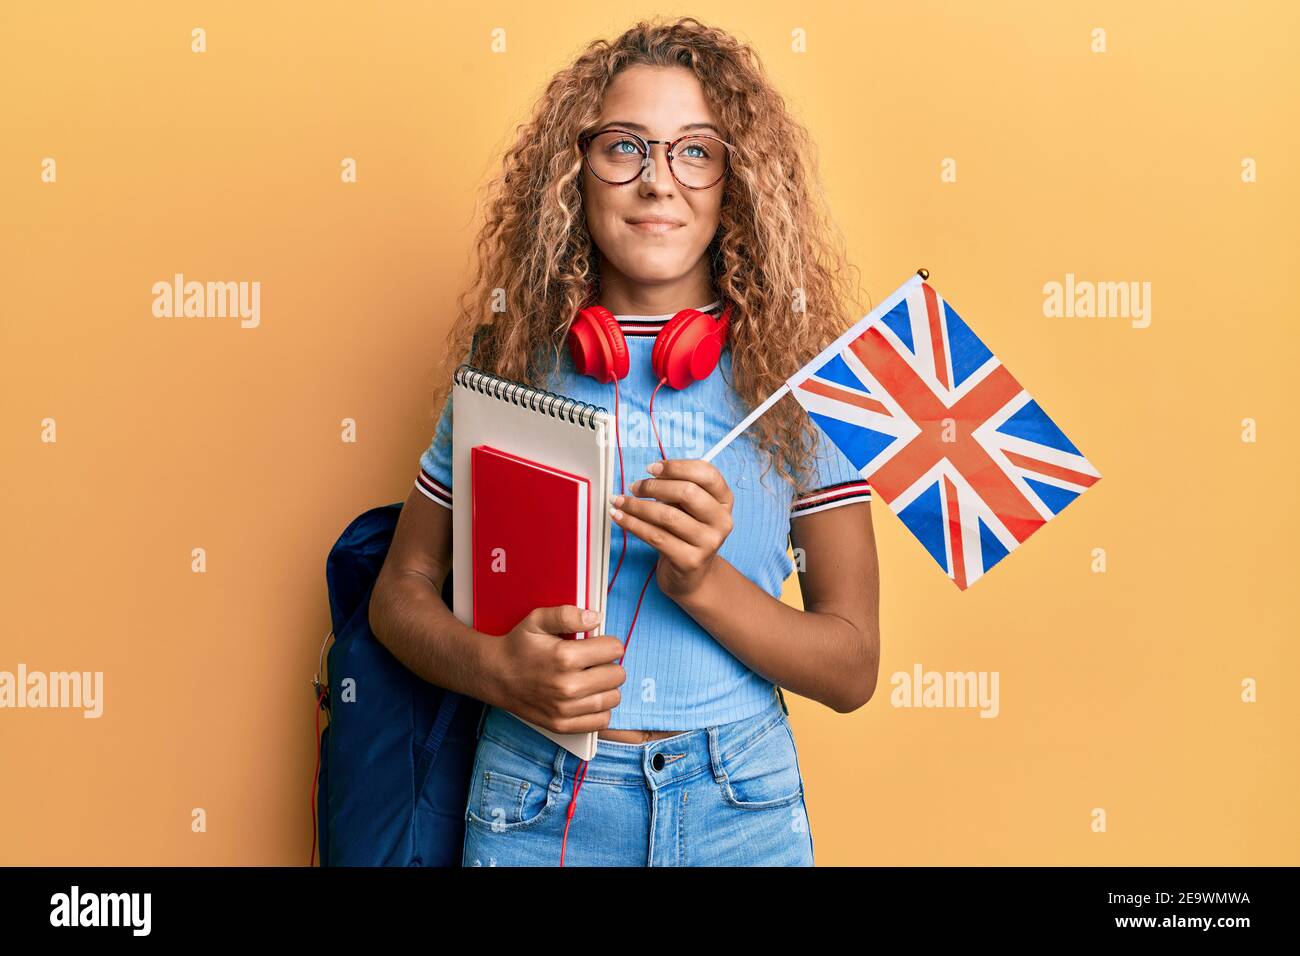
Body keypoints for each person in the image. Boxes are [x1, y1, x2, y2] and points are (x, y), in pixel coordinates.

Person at [369, 16, 881, 867]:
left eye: (694, 151)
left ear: (735, 180)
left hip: (740, 805)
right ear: (576, 172)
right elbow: (401, 593)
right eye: (623, 148)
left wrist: (702, 580)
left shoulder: (806, 381)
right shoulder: (509, 361)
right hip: (536, 796)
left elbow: (852, 666)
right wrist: (498, 672)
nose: (657, 182)